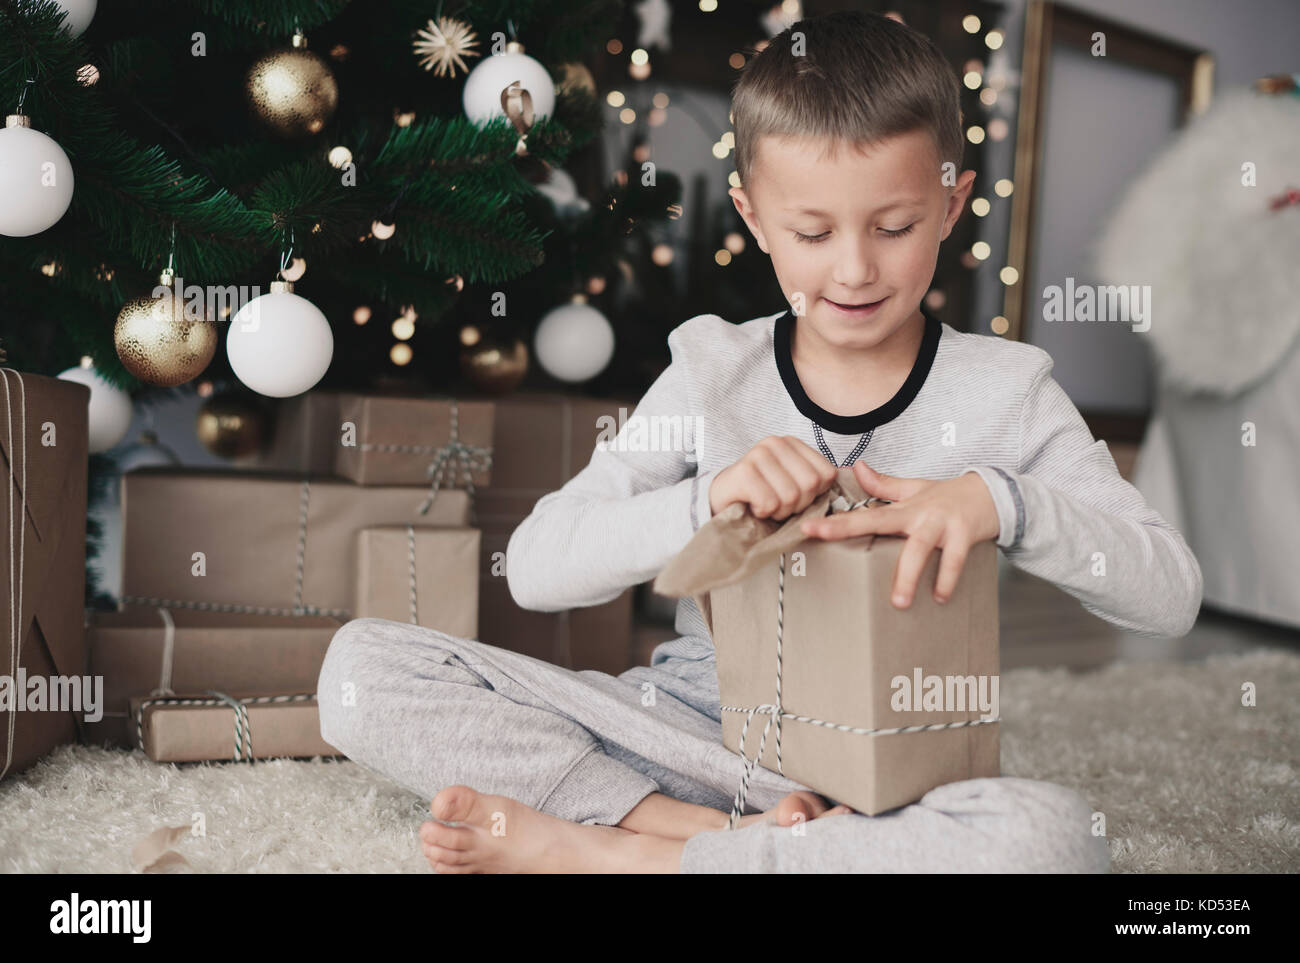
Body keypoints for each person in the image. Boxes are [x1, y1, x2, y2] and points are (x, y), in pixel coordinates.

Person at [318, 9, 1202, 873]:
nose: (854, 268)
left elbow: (1170, 594)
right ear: (750, 213)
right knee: (362, 669)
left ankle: (616, 853)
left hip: (896, 771)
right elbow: (542, 566)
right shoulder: (712, 370)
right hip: (692, 733)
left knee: (1050, 840)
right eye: (813, 233)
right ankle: (682, 830)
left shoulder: (1010, 393)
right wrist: (706, 501)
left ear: (951, 201)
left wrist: (1006, 503)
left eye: (893, 227)